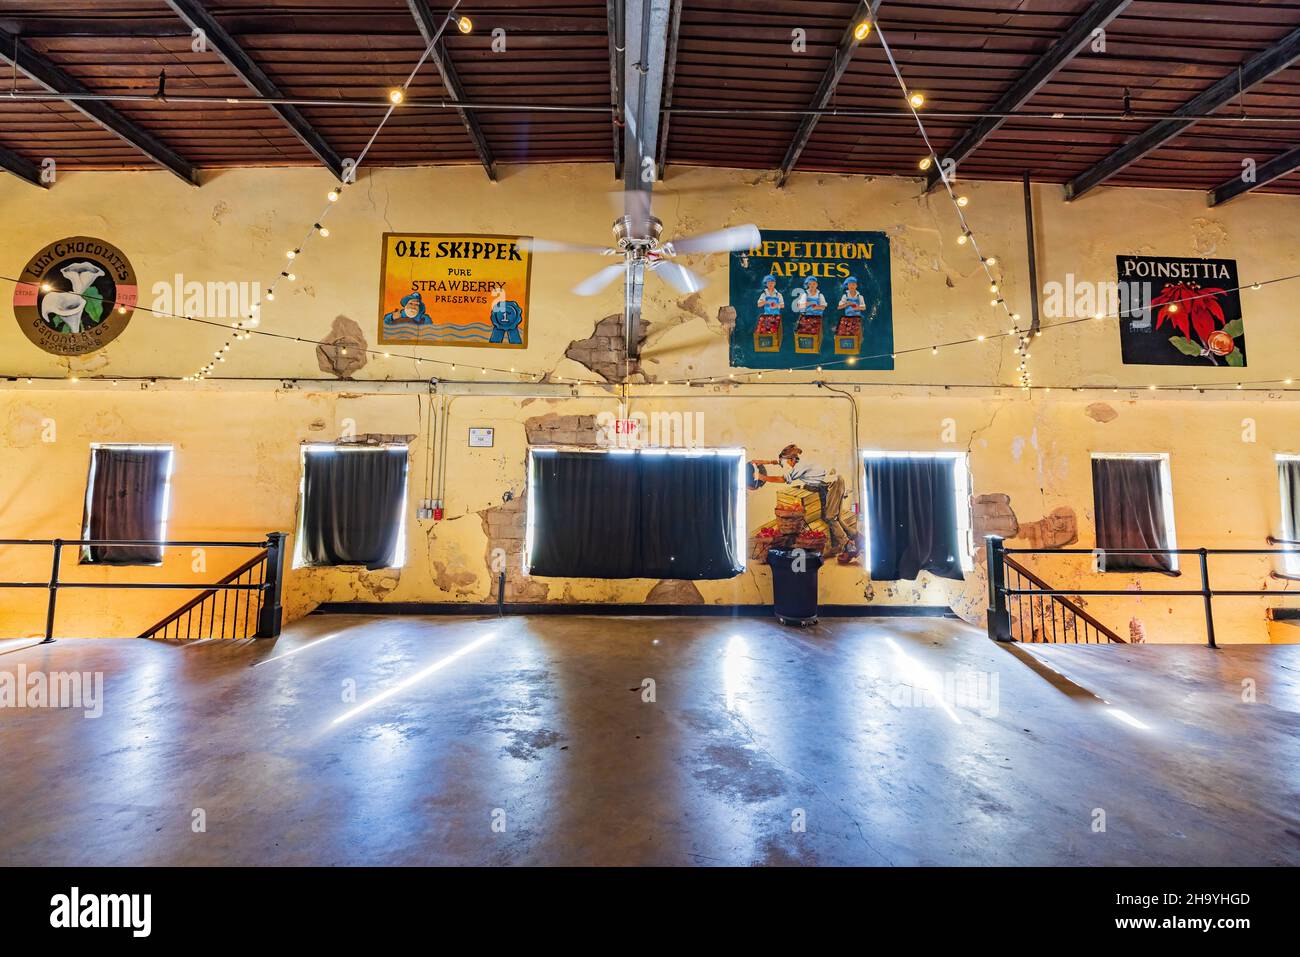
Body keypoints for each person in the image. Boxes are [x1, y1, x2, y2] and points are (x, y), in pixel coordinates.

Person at [749, 444, 857, 558]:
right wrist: (760, 462)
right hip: (835, 482)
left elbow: (782, 479)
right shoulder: (798, 461)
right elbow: (777, 462)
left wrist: (761, 477)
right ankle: (856, 537)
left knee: (830, 517)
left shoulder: (800, 467)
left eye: (786, 463)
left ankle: (849, 546)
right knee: (837, 518)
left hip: (834, 485)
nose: (786, 465)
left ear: (792, 459)